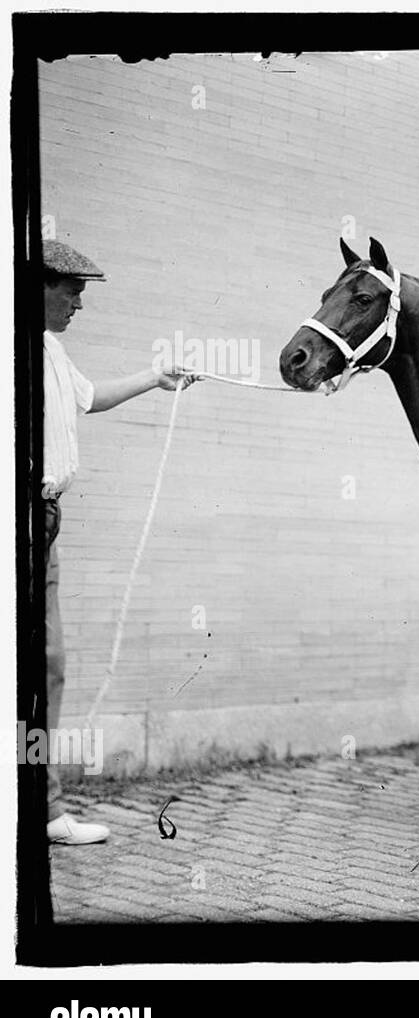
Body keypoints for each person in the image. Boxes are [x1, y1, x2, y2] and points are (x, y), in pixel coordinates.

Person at [42, 239, 196, 845]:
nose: (80, 300)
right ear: (37, 286)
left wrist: (154, 378)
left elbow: (91, 397)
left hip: (45, 524)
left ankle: (44, 811)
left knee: (46, 666)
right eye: (71, 288)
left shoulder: (51, 349)